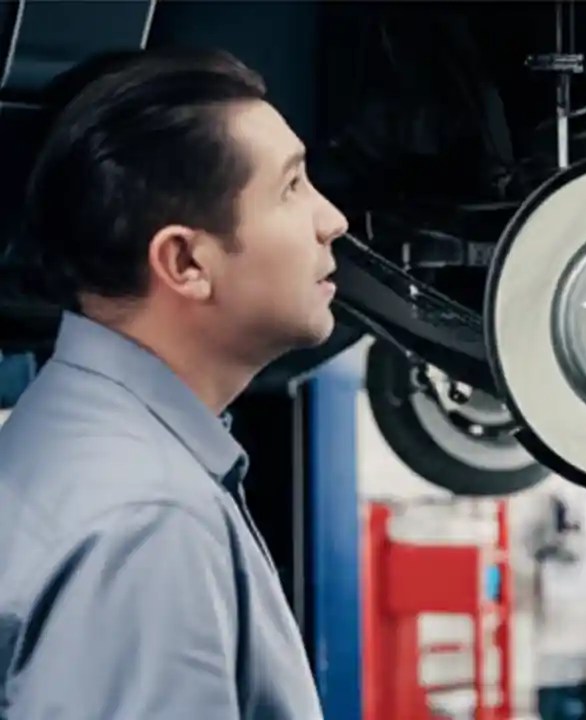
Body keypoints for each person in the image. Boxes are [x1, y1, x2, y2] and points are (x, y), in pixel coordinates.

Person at [0, 48, 348, 717]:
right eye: (291, 188)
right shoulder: (148, 523)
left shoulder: (78, 440)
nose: (332, 219)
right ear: (185, 261)